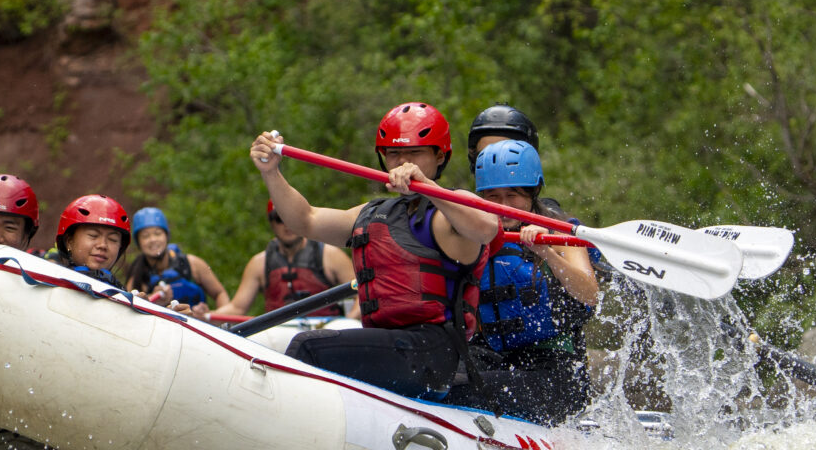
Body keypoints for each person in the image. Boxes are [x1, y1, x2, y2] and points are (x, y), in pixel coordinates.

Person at [249, 103, 501, 403]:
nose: (403, 162)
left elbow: (487, 228)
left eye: (415, 153)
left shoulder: (451, 209)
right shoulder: (372, 213)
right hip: (388, 344)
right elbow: (306, 220)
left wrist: (428, 186)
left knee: (307, 347)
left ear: (440, 156)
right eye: (394, 154)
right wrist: (271, 172)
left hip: (433, 352)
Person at [467, 140, 598, 423]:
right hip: (497, 359)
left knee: (468, 390)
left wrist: (548, 253)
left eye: (512, 196)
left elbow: (589, 294)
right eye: (493, 197)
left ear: (532, 193)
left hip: (554, 368)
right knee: (445, 381)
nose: (503, 206)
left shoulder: (559, 232)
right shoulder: (475, 234)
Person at [211, 201, 357, 320]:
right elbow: (237, 308)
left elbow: (362, 294)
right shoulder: (259, 263)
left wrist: (350, 321)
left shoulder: (331, 255)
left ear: (302, 219)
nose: (287, 224)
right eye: (280, 218)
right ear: (271, 223)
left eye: (292, 218)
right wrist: (204, 317)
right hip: (279, 331)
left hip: (325, 330)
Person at [119, 207, 231, 315]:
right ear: (139, 243)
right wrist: (153, 302)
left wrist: (214, 316)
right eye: (145, 236)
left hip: (198, 328)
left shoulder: (193, 264)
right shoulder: (137, 278)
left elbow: (220, 293)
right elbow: (129, 314)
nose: (152, 240)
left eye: (157, 233)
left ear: (167, 236)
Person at [47, 195, 133, 281]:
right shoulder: (46, 281)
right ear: (69, 241)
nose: (103, 245)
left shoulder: (120, 293)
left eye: (112, 239)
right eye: (93, 235)